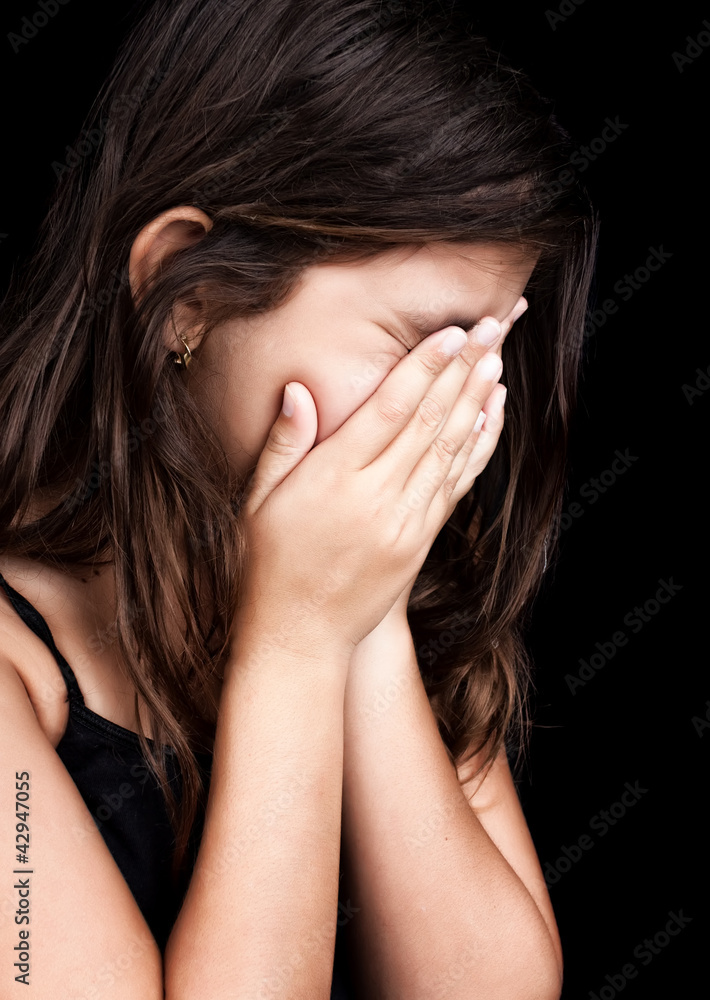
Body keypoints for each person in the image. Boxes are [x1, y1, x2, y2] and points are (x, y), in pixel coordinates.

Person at [0, 0, 597, 996]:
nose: (458, 414)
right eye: (420, 347)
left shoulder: (420, 619)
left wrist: (359, 621)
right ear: (186, 295)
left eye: (487, 356)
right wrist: (296, 639)